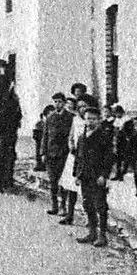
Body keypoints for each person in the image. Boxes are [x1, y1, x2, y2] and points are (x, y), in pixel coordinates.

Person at [73, 103, 115, 247]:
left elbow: (109, 158)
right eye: (88, 119)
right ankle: (92, 233)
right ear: (84, 120)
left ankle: (102, 235)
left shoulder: (104, 136)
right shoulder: (82, 137)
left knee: (100, 205)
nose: (90, 121)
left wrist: (104, 175)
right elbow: (78, 157)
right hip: (85, 175)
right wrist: (77, 174)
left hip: (97, 177)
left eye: (93, 119)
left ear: (99, 120)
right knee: (87, 204)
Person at [57, 94, 95, 226]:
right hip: (74, 157)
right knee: (71, 188)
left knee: (87, 191)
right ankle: (70, 215)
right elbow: (71, 136)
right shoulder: (75, 120)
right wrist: (71, 146)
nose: (82, 109)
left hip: (87, 158)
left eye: (84, 106)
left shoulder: (92, 121)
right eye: (79, 107)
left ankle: (90, 218)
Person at [42, 93, 75, 216]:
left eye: (60, 102)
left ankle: (63, 206)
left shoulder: (70, 117)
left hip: (63, 153)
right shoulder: (50, 117)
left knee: (63, 182)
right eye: (55, 102)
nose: (57, 104)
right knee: (53, 181)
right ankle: (54, 205)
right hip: (50, 153)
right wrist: (43, 153)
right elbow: (45, 135)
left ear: (64, 103)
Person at [0, 81, 23, 192]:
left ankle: (7, 181)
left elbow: (19, 115)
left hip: (9, 132)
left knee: (9, 156)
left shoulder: (14, 100)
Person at [113, 108, 137, 181]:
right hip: (119, 142)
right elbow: (116, 131)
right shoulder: (118, 120)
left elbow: (129, 132)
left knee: (126, 158)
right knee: (119, 159)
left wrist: (127, 138)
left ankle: (122, 174)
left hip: (126, 142)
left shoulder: (128, 121)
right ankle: (118, 174)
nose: (116, 115)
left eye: (117, 113)